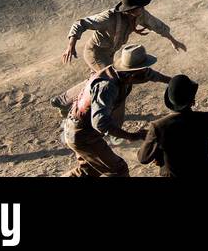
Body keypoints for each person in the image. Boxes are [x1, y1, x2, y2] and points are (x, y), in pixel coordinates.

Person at [52, 0, 186, 114]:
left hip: (110, 54)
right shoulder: (108, 17)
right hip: (95, 53)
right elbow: (80, 23)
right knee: (114, 80)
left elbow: (157, 25)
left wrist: (173, 41)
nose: (141, 9)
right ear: (129, 10)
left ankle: (63, 100)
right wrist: (71, 45)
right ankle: (98, 113)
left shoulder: (141, 14)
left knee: (98, 79)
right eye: (137, 8)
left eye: (141, 6)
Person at [62, 44, 168, 177]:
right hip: (82, 134)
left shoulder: (124, 73)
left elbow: (150, 74)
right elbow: (100, 123)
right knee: (118, 170)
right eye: (142, 71)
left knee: (88, 171)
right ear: (132, 74)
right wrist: (131, 136)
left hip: (80, 129)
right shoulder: (107, 87)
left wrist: (173, 81)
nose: (146, 74)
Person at [139, 75, 208, 177]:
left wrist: (152, 144)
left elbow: (143, 158)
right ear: (192, 101)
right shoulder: (204, 119)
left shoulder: (158, 127)